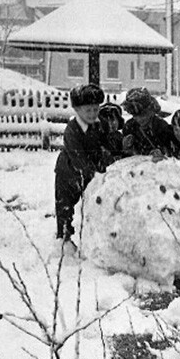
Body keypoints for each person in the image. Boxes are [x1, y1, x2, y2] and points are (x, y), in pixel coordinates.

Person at [55, 84, 105, 241]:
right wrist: (94, 174)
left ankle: (92, 238)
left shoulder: (100, 125)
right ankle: (64, 238)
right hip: (68, 173)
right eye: (88, 110)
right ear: (77, 110)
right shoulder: (72, 130)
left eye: (96, 109)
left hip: (91, 173)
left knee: (93, 205)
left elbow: (106, 145)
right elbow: (78, 158)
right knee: (65, 207)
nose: (93, 114)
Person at [120, 87, 177, 158]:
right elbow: (125, 159)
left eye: (143, 114)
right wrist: (126, 149)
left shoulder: (162, 127)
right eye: (135, 115)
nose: (139, 119)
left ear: (151, 111)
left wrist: (163, 153)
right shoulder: (129, 127)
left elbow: (173, 154)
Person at [87, 102, 125, 171]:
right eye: (106, 120)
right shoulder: (95, 138)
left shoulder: (119, 136)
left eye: (112, 119)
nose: (110, 124)